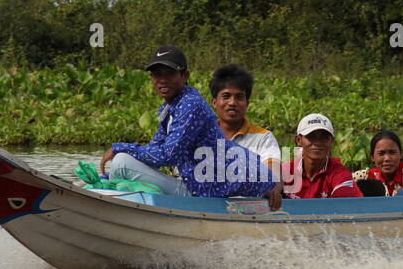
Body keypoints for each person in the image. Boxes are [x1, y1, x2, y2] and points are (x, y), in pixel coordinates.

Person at [102, 45, 283, 207]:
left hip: (204, 191)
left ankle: (123, 208)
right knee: (124, 161)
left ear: (185, 76)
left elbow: (168, 155)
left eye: (170, 74)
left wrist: (120, 147)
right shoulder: (170, 108)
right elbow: (155, 147)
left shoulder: (190, 104)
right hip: (207, 185)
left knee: (121, 163)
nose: (163, 80)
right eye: (158, 74)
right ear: (151, 78)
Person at [209, 64, 281, 173]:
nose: (232, 102)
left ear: (247, 103)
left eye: (239, 97)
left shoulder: (263, 138)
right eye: (226, 96)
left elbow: (272, 175)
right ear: (215, 102)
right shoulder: (202, 135)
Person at [278, 113, 362, 198]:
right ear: (299, 140)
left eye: (324, 137)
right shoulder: (284, 171)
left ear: (331, 141)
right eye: (311, 136)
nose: (318, 142)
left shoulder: (341, 174)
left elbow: (342, 204)